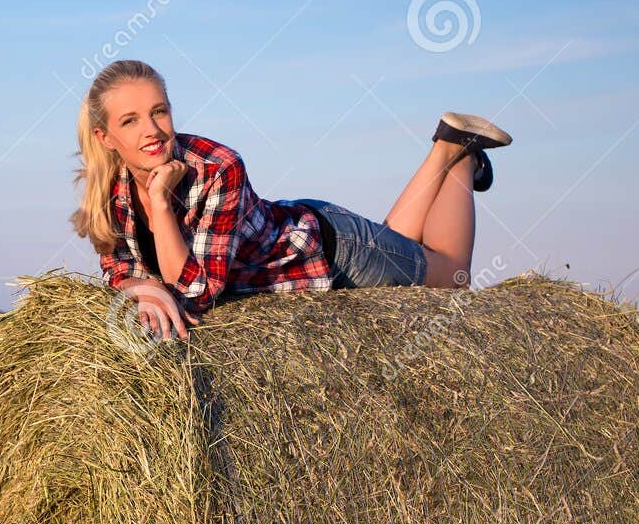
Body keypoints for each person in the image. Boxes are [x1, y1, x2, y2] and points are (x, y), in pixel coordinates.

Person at [70, 59, 511, 341]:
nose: (152, 130)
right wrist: (141, 287)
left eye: (159, 111)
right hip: (308, 230)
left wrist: (162, 204)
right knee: (400, 245)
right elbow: (118, 269)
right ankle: (445, 147)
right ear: (105, 137)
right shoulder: (110, 186)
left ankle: (460, 156)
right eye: (130, 121)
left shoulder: (218, 167)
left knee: (451, 278)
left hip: (332, 251)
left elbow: (197, 293)